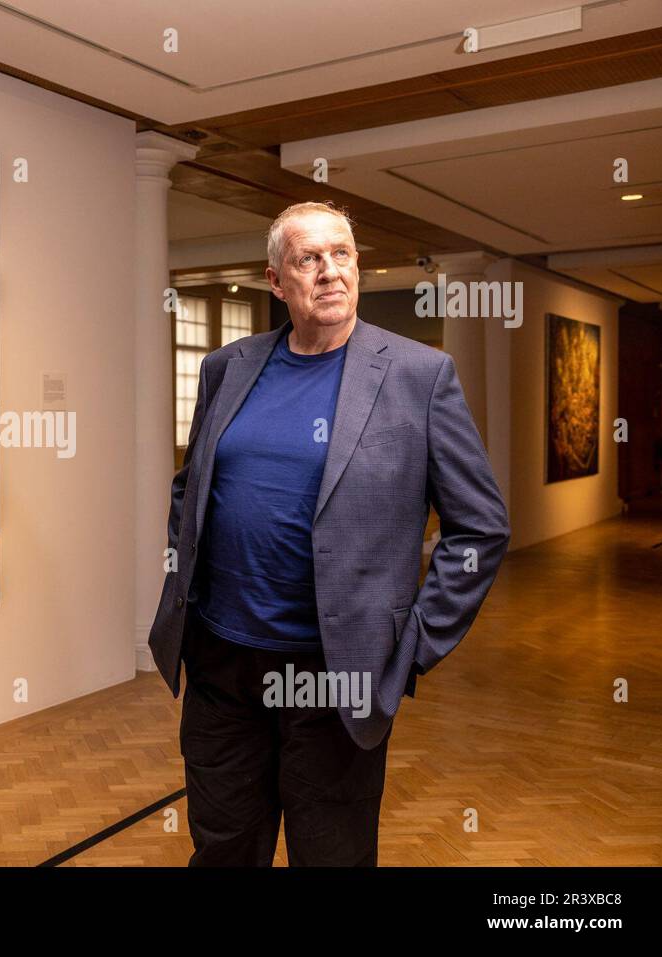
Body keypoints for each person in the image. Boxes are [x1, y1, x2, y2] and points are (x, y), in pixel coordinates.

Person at [147, 201, 510, 866]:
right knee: (223, 845)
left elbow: (480, 528)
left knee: (331, 854)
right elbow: (188, 487)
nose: (330, 271)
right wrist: (183, 585)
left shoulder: (417, 376)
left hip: (335, 672)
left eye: (342, 254)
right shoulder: (227, 367)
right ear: (276, 280)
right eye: (308, 258)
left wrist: (414, 643)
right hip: (222, 663)